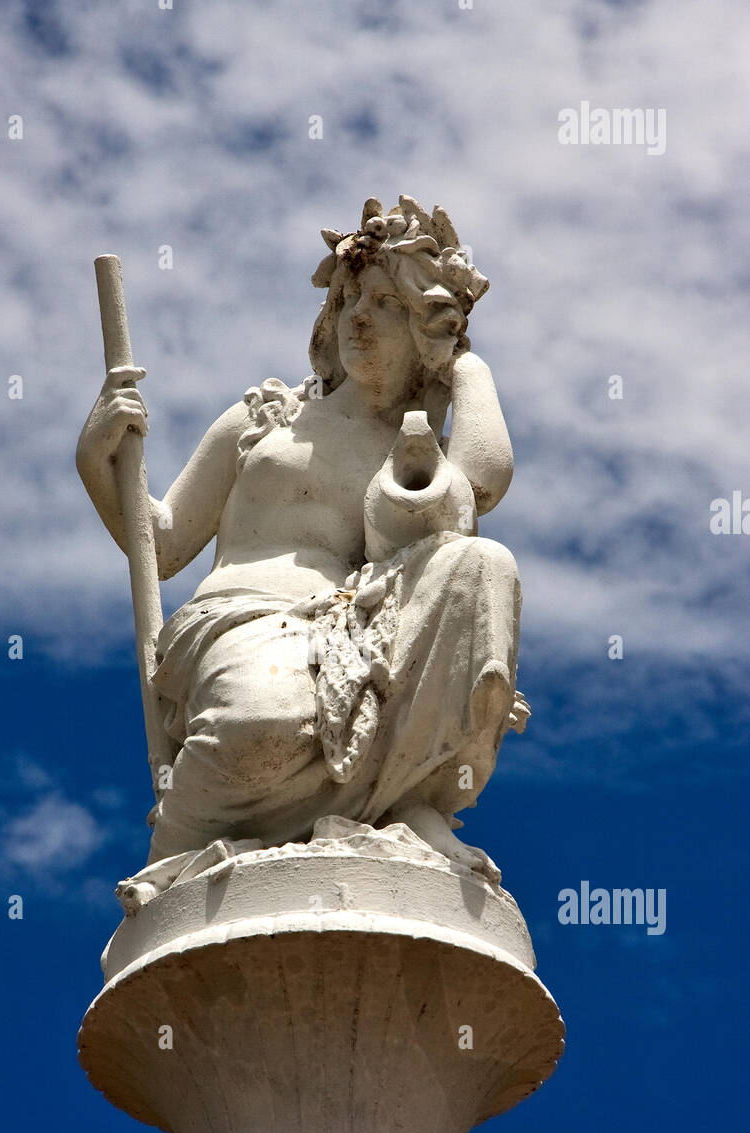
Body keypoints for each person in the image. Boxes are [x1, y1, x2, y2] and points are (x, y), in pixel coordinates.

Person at [76, 196, 528, 883]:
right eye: (350, 299)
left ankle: (406, 800)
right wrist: (94, 459)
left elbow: (482, 484)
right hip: (241, 622)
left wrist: (469, 369)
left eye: (384, 304)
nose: (358, 318)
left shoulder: (416, 451)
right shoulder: (266, 418)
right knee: (262, 720)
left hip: (359, 631)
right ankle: (189, 838)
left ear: (426, 330)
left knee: (481, 565)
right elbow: (160, 543)